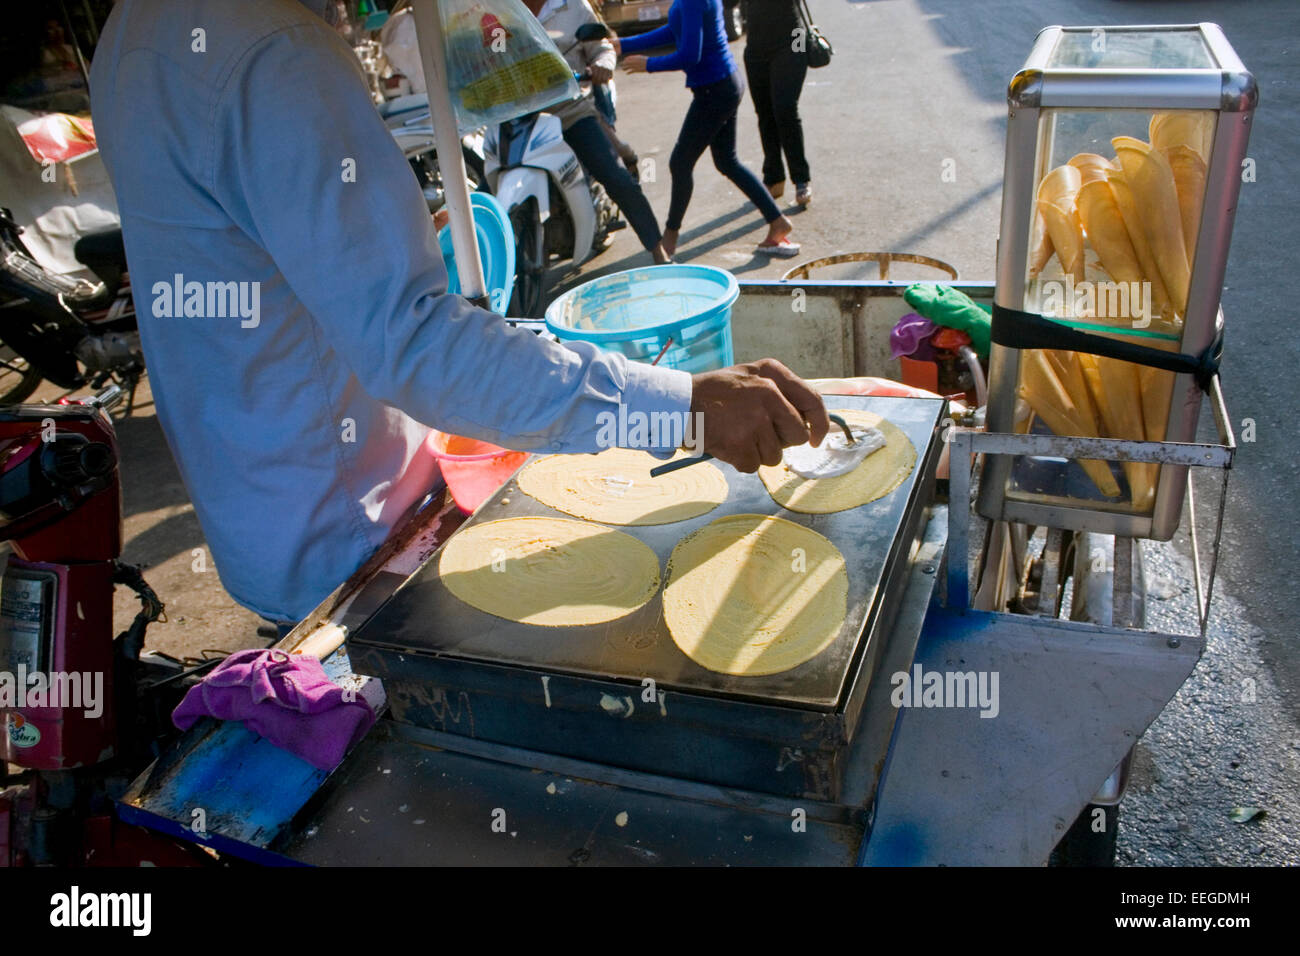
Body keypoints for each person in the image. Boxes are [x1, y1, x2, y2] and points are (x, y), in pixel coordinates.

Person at [88, 0, 829, 629]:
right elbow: (411, 341)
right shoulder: (278, 53)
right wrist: (685, 404)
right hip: (356, 537)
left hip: (259, 515)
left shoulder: (134, 24)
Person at [615, 0, 799, 258]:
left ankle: (670, 237)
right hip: (722, 83)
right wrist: (625, 44)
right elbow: (674, 29)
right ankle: (778, 223)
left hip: (715, 91)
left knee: (680, 163)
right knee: (727, 162)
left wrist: (649, 65)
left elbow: (691, 55)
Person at [521, 0, 669, 262]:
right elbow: (491, 54)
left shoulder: (571, 7)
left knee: (616, 177)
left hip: (569, 111)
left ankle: (659, 251)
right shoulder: (501, 12)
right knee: (482, 196)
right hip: (521, 117)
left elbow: (602, 47)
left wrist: (603, 63)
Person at [743, 0, 812, 206]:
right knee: (764, 113)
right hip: (756, 46)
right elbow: (728, 4)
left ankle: (801, 179)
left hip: (793, 39)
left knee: (785, 108)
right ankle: (774, 178)